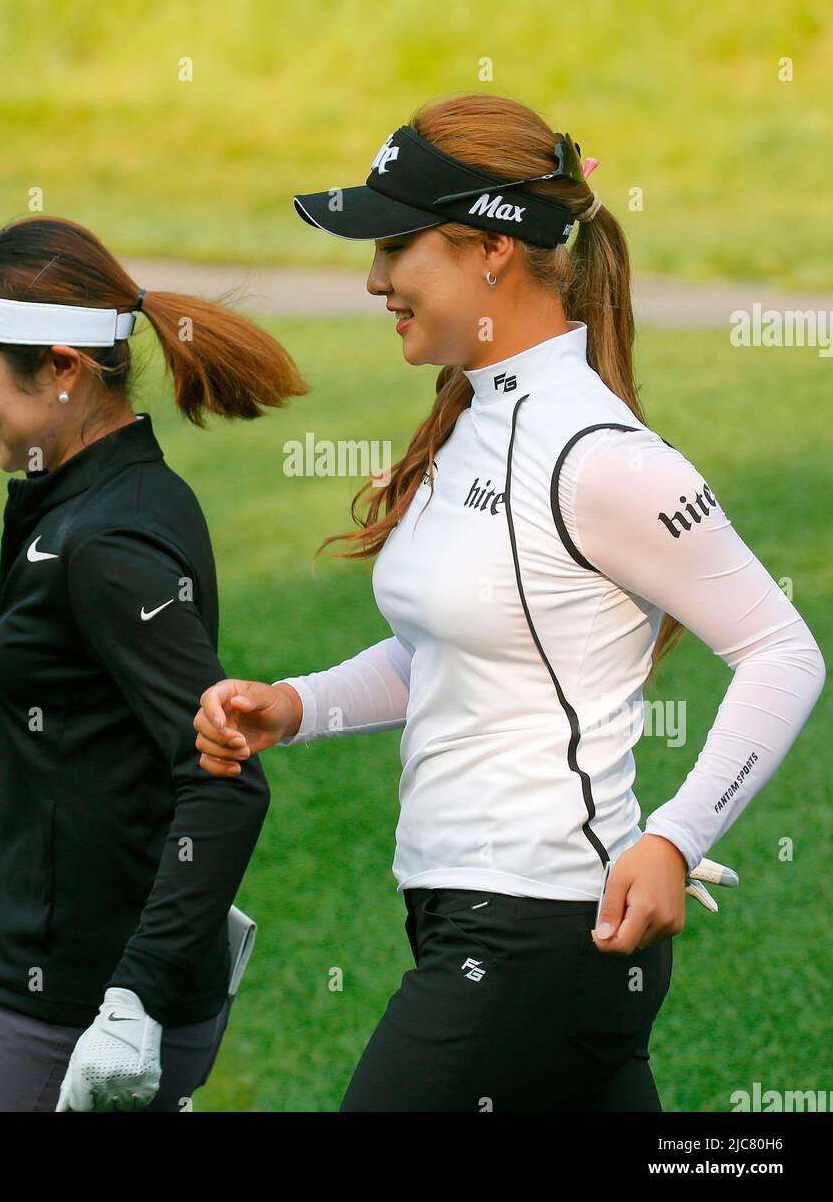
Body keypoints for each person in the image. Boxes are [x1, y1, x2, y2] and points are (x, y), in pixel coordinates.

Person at [193, 93, 826, 1112]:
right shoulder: (469, 416)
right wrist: (295, 705)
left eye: (394, 246)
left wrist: (675, 836)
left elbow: (781, 651)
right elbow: (448, 651)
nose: (370, 279)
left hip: (540, 926)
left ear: (490, 250)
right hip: (474, 919)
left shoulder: (598, 456)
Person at [0, 215, 307, 1111]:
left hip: (90, 1006)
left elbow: (220, 781)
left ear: (61, 369)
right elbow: (104, 760)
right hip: (90, 989)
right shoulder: (98, 500)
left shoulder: (107, 539)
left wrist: (133, 1004)